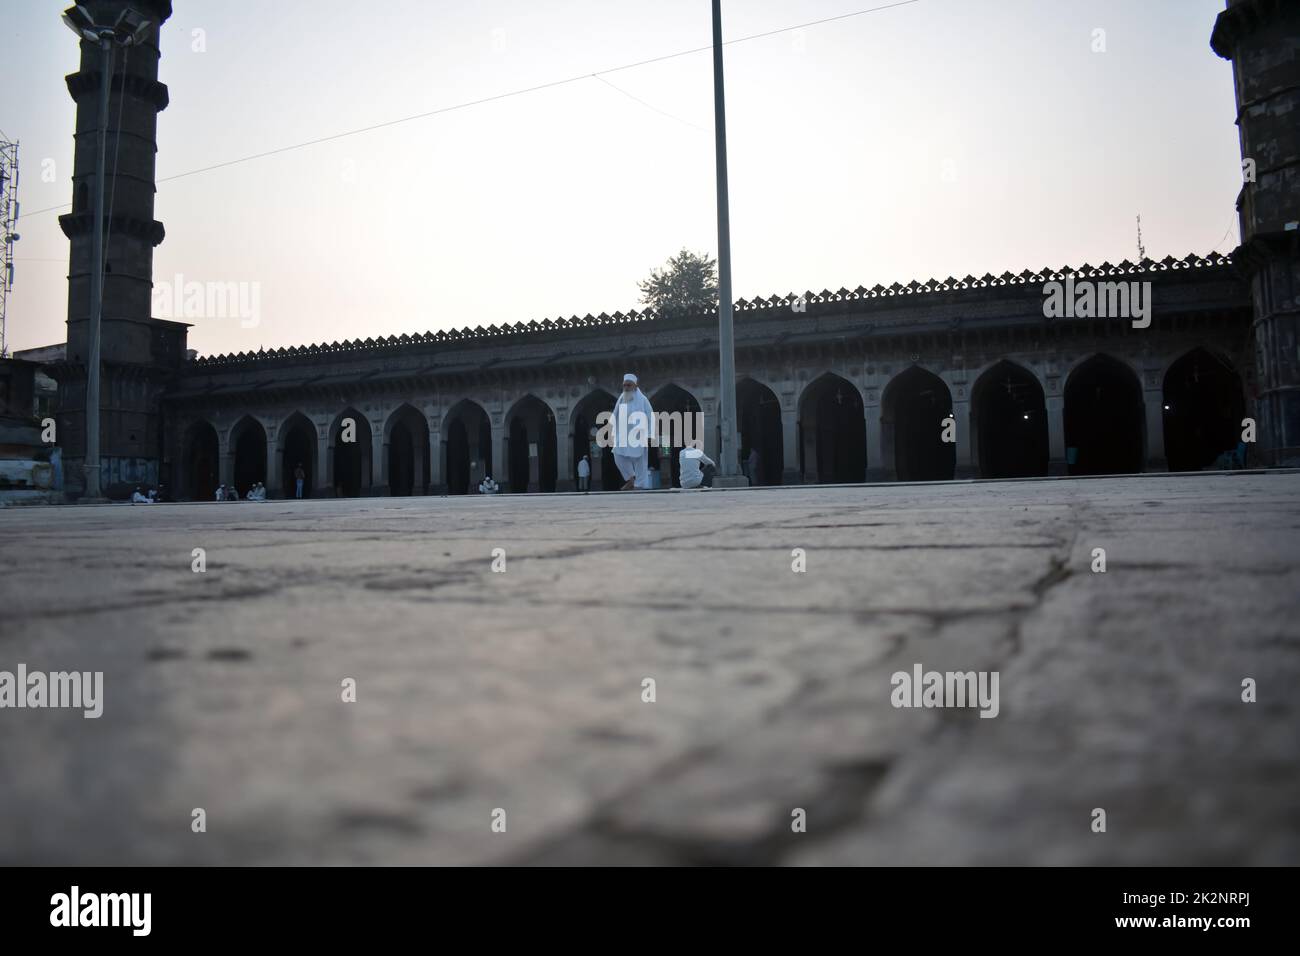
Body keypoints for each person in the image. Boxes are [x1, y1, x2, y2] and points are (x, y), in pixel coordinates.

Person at [610, 373, 655, 491]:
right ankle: (631, 479)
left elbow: (651, 417)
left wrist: (650, 435)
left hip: (639, 435)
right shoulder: (622, 398)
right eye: (624, 385)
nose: (626, 387)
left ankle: (639, 485)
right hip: (623, 435)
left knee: (640, 461)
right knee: (617, 455)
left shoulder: (643, 400)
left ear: (635, 386)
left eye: (628, 385)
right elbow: (615, 414)